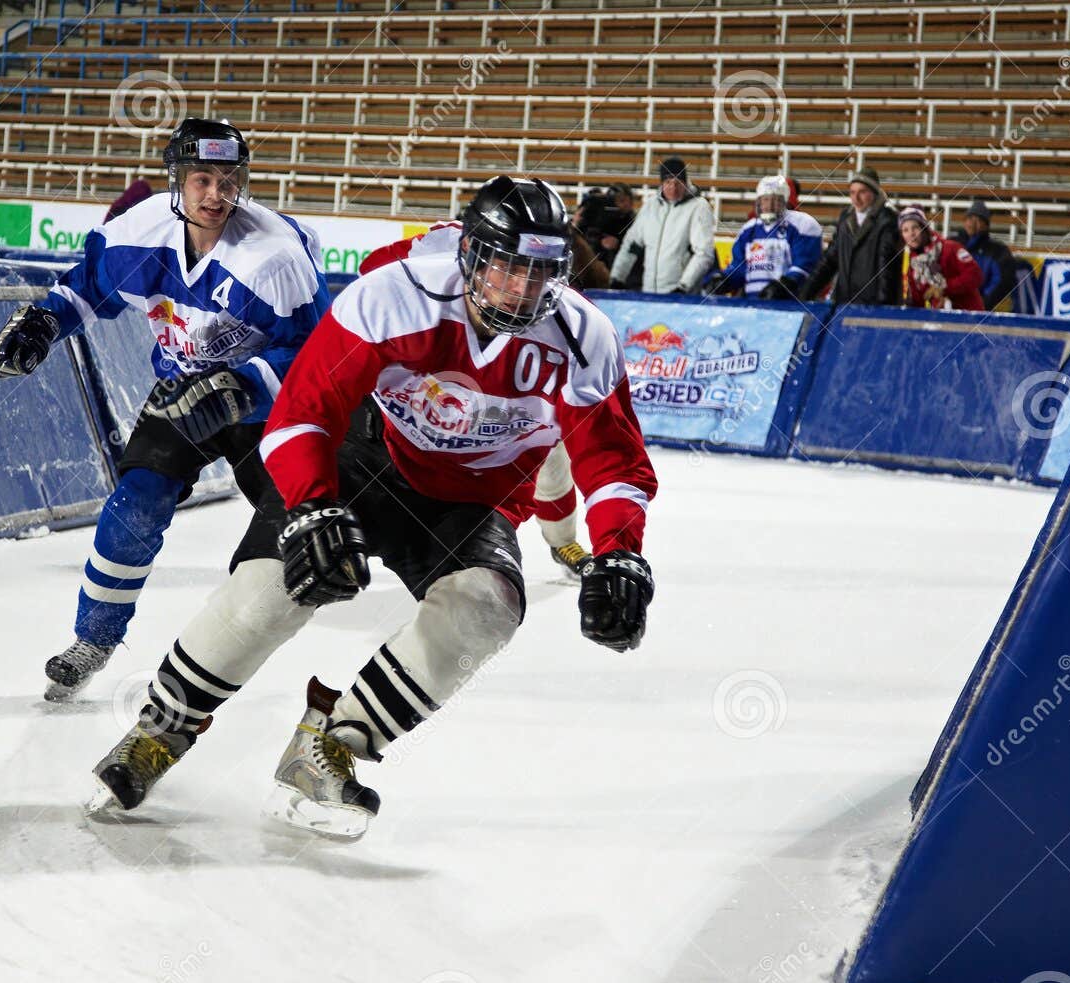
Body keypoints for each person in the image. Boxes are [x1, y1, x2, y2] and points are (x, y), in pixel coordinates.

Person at [82, 176, 657, 839]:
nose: (521, 288)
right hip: (367, 450)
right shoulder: (396, 294)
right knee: (270, 588)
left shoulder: (586, 337)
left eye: (540, 272)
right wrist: (311, 507)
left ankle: (331, 746)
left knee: (487, 610)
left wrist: (620, 548)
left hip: (471, 498)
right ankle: (161, 728)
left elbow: (614, 461)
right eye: (506, 265)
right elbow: (302, 410)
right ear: (469, 254)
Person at [0, 118, 329, 701]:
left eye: (229, 180)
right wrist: (43, 323)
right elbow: (85, 289)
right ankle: (93, 639)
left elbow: (317, 354)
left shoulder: (275, 254)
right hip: (182, 391)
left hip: (263, 407)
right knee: (135, 502)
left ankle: (232, 651)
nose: (217, 195)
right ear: (176, 180)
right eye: (202, 180)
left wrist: (244, 386)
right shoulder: (139, 231)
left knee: (299, 526)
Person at [354, 210, 608, 580]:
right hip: (441, 368)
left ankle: (562, 540)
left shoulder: (547, 264)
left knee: (551, 454)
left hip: (505, 373)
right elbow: (372, 273)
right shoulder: (445, 241)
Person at [609, 156, 715, 295]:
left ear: (685, 182)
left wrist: (683, 287)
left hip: (681, 297)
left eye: (678, 182)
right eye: (668, 182)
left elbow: (704, 253)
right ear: (662, 183)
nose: (673, 187)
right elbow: (631, 245)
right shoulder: (650, 206)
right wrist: (617, 278)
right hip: (649, 294)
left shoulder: (698, 206)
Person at [798, 167, 903, 306]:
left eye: (862, 192)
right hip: (844, 303)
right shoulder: (846, 219)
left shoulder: (887, 220)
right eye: (852, 192)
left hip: (871, 306)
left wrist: (883, 307)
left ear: (874, 192)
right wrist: (805, 294)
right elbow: (830, 260)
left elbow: (886, 268)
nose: (856, 198)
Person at [713, 175, 822, 300]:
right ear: (758, 201)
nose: (769, 205)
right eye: (765, 199)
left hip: (790, 307)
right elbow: (740, 268)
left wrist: (784, 286)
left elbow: (806, 266)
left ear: (784, 201)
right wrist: (724, 280)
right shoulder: (748, 230)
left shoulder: (802, 225)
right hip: (752, 305)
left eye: (775, 200)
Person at [897, 204, 983, 311]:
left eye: (915, 227)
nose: (911, 234)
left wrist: (945, 287)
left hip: (969, 316)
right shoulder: (913, 263)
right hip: (939, 318)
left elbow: (975, 276)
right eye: (905, 230)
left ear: (925, 228)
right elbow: (917, 300)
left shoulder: (950, 248)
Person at [953, 200, 1018, 311]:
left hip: (981, 310)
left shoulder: (997, 251)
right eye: (969, 218)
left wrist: (983, 302)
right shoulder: (952, 244)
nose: (972, 223)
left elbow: (1001, 281)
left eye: (977, 220)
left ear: (986, 225)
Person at [574, 182, 636, 272]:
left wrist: (618, 245)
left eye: (628, 200)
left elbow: (638, 247)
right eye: (621, 201)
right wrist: (576, 223)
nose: (626, 204)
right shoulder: (600, 217)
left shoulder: (634, 221)